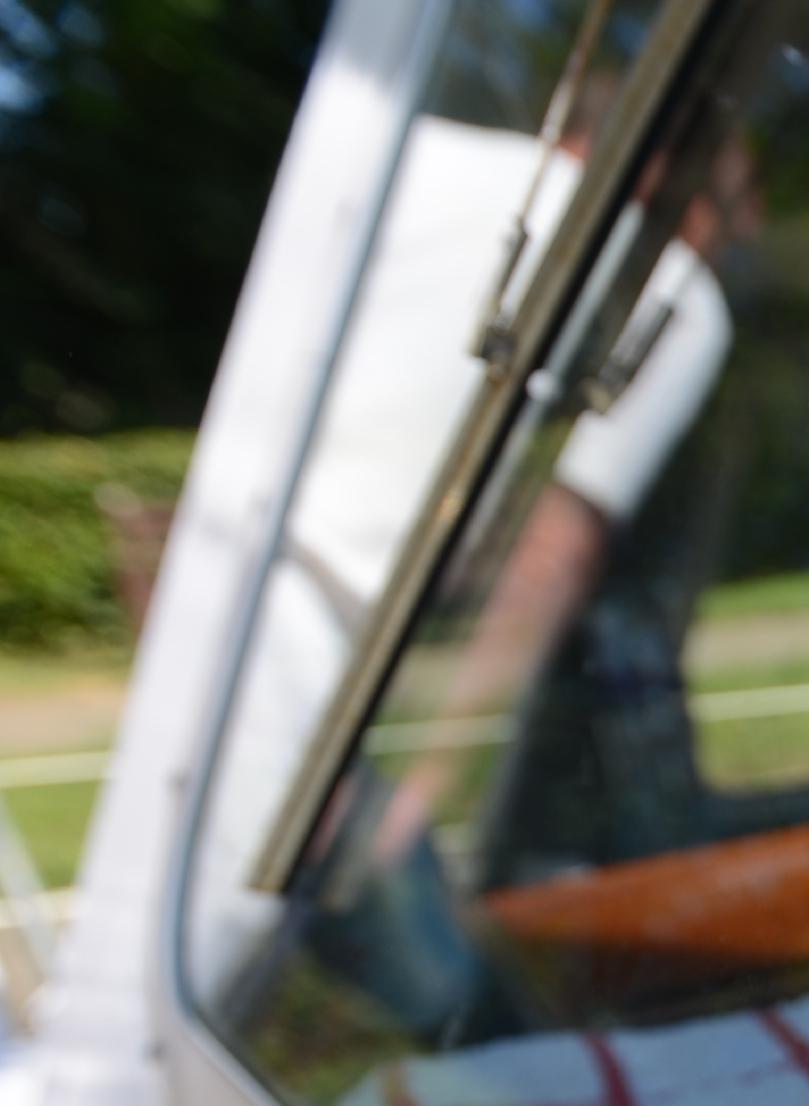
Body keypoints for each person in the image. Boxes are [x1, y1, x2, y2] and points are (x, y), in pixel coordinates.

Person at [190, 88, 752, 1000]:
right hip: (323, 669)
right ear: (661, 171)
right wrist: (426, 793)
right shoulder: (671, 294)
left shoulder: (393, 148)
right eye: (725, 206)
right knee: (410, 993)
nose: (735, 235)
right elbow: (551, 555)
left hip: (211, 586)